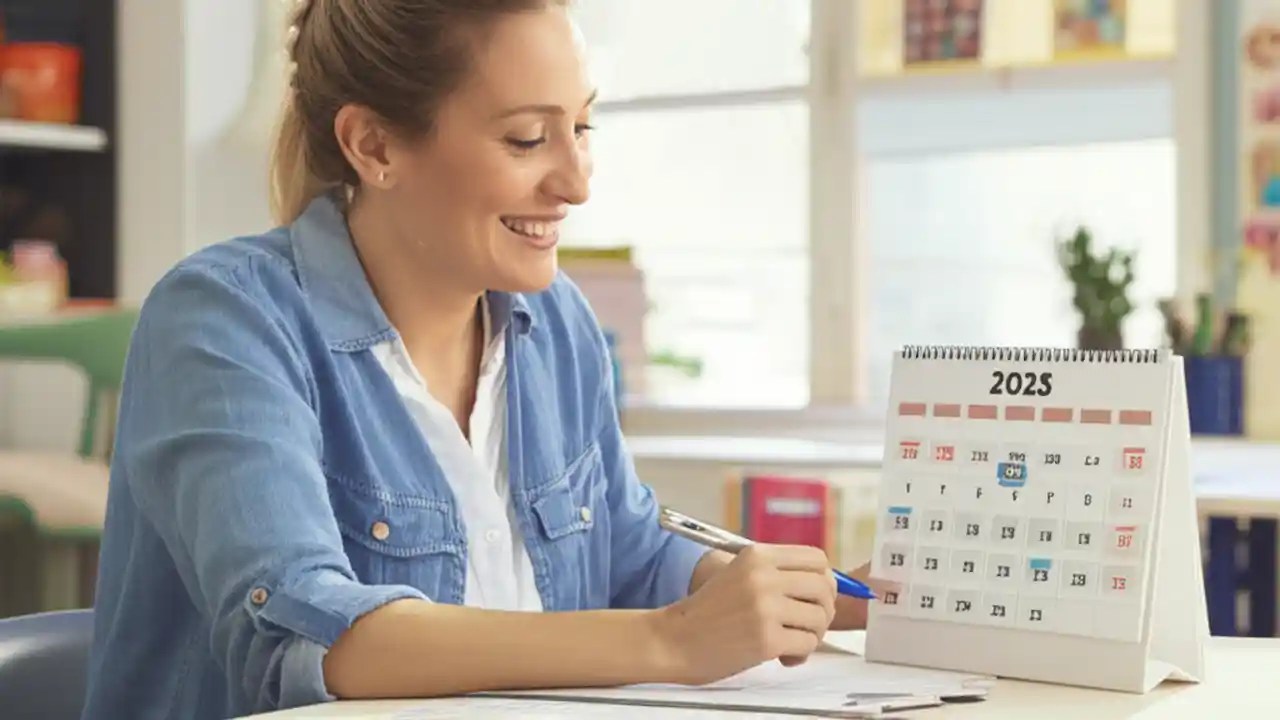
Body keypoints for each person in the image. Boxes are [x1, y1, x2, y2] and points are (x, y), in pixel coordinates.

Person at [79, 2, 879, 718]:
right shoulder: (224, 319)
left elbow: (628, 551)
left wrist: (814, 600)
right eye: (528, 138)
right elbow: (308, 638)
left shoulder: (555, 319)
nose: (575, 181)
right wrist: (674, 641)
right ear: (374, 144)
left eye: (583, 129)